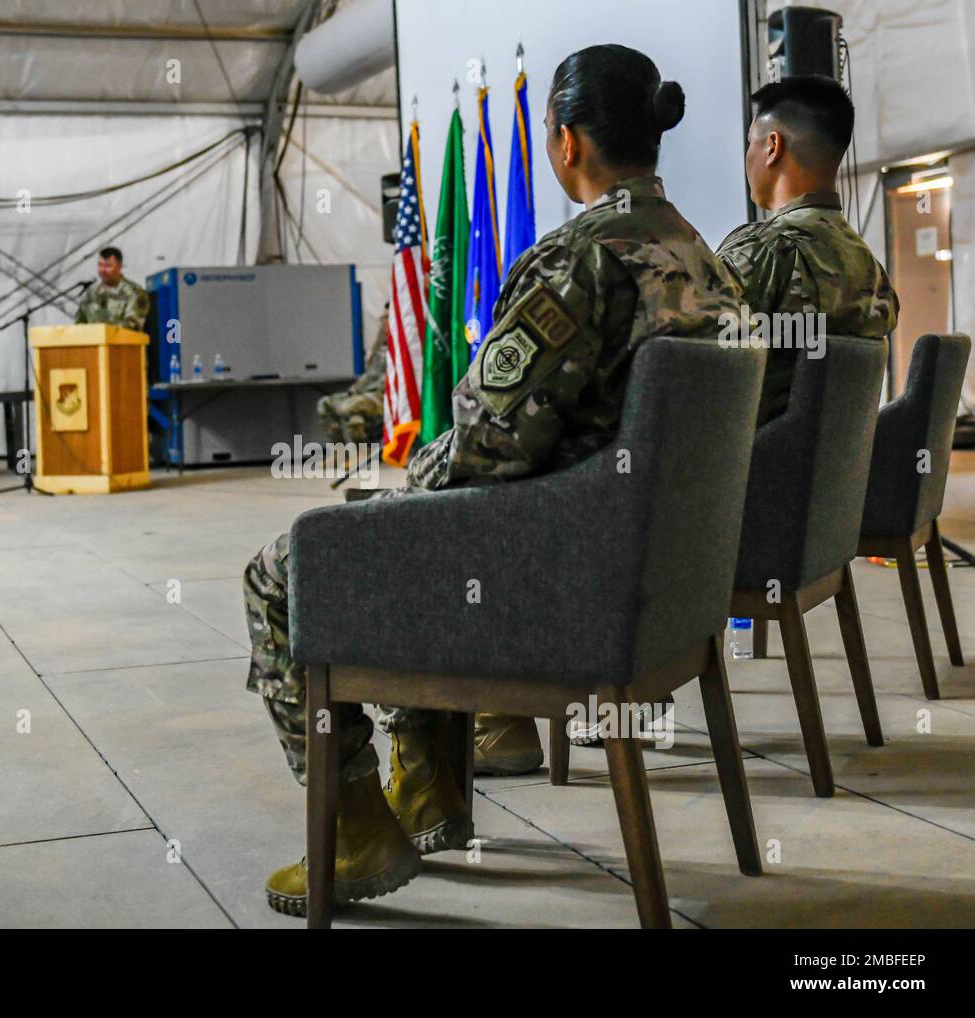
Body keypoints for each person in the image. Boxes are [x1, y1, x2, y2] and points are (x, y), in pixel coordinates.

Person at [244, 43, 744, 917]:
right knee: (420, 528)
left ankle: (358, 823)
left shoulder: (580, 260)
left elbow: (487, 443)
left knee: (290, 567)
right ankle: (429, 790)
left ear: (563, 143)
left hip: (560, 585)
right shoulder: (713, 265)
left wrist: (400, 490)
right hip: (663, 586)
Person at [717, 76, 899, 424]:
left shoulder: (762, 252)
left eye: (750, 144)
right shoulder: (873, 272)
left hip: (750, 471)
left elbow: (688, 372)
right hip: (839, 474)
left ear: (772, 147)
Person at [317, 313, 386, 445]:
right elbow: (369, 375)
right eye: (383, 319)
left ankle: (362, 451)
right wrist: (354, 390)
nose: (384, 323)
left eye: (387, 319)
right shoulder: (379, 349)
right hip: (365, 395)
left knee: (350, 408)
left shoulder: (402, 351)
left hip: (382, 397)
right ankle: (340, 451)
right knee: (325, 403)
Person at [74, 246, 150, 330]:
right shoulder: (91, 293)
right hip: (93, 342)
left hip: (123, 342)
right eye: (100, 265)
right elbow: (79, 324)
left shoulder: (135, 293)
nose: (103, 270)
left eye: (108, 266)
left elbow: (132, 325)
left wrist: (104, 331)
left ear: (119, 267)